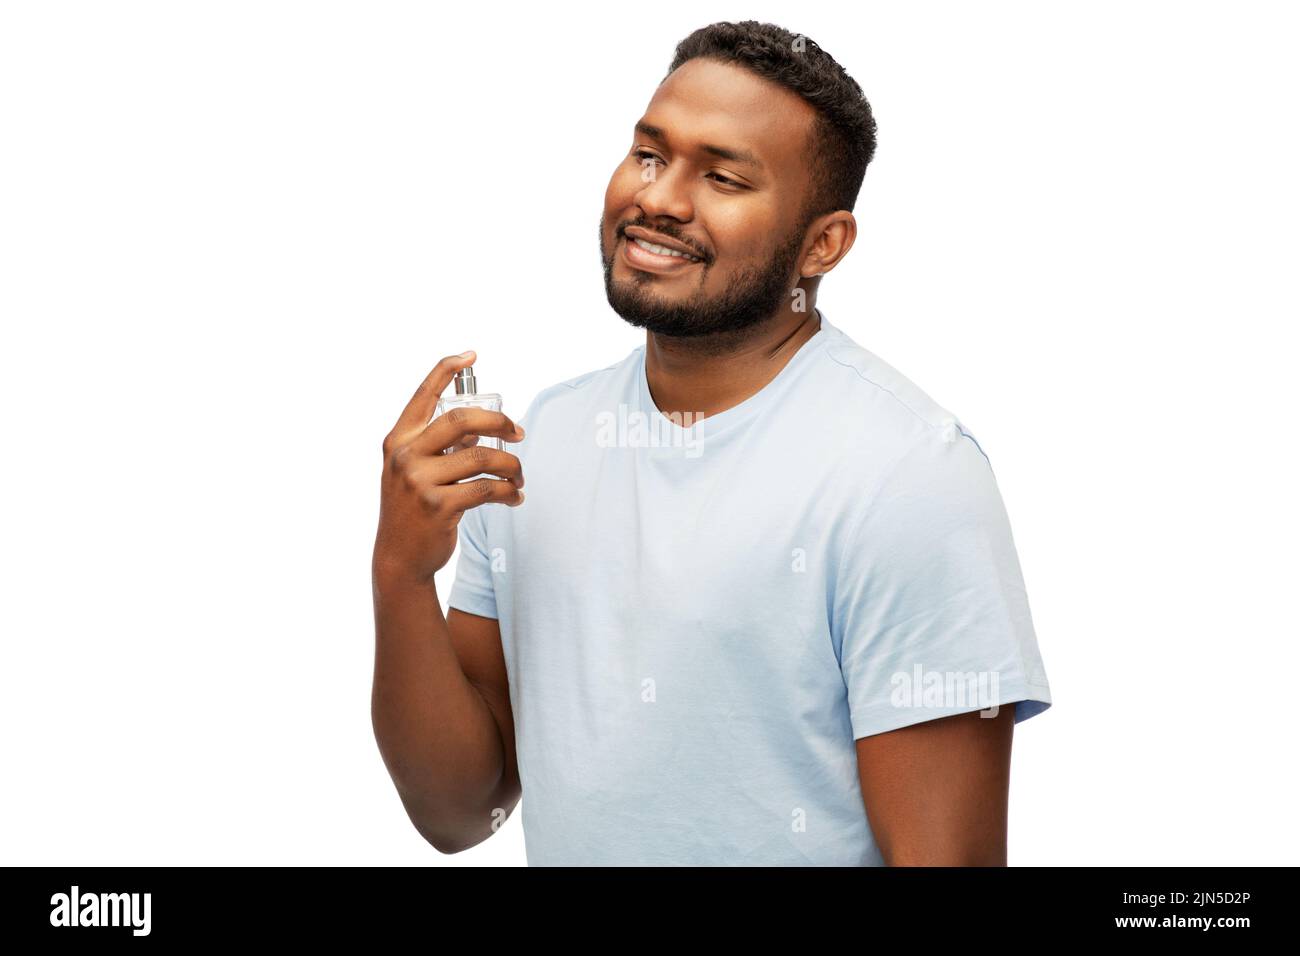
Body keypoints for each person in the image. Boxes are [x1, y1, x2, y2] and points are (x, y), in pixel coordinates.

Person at [372, 20, 1052, 866]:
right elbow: (460, 812)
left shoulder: (908, 476)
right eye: (650, 155)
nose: (658, 199)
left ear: (823, 244)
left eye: (724, 177)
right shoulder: (537, 444)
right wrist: (401, 572)